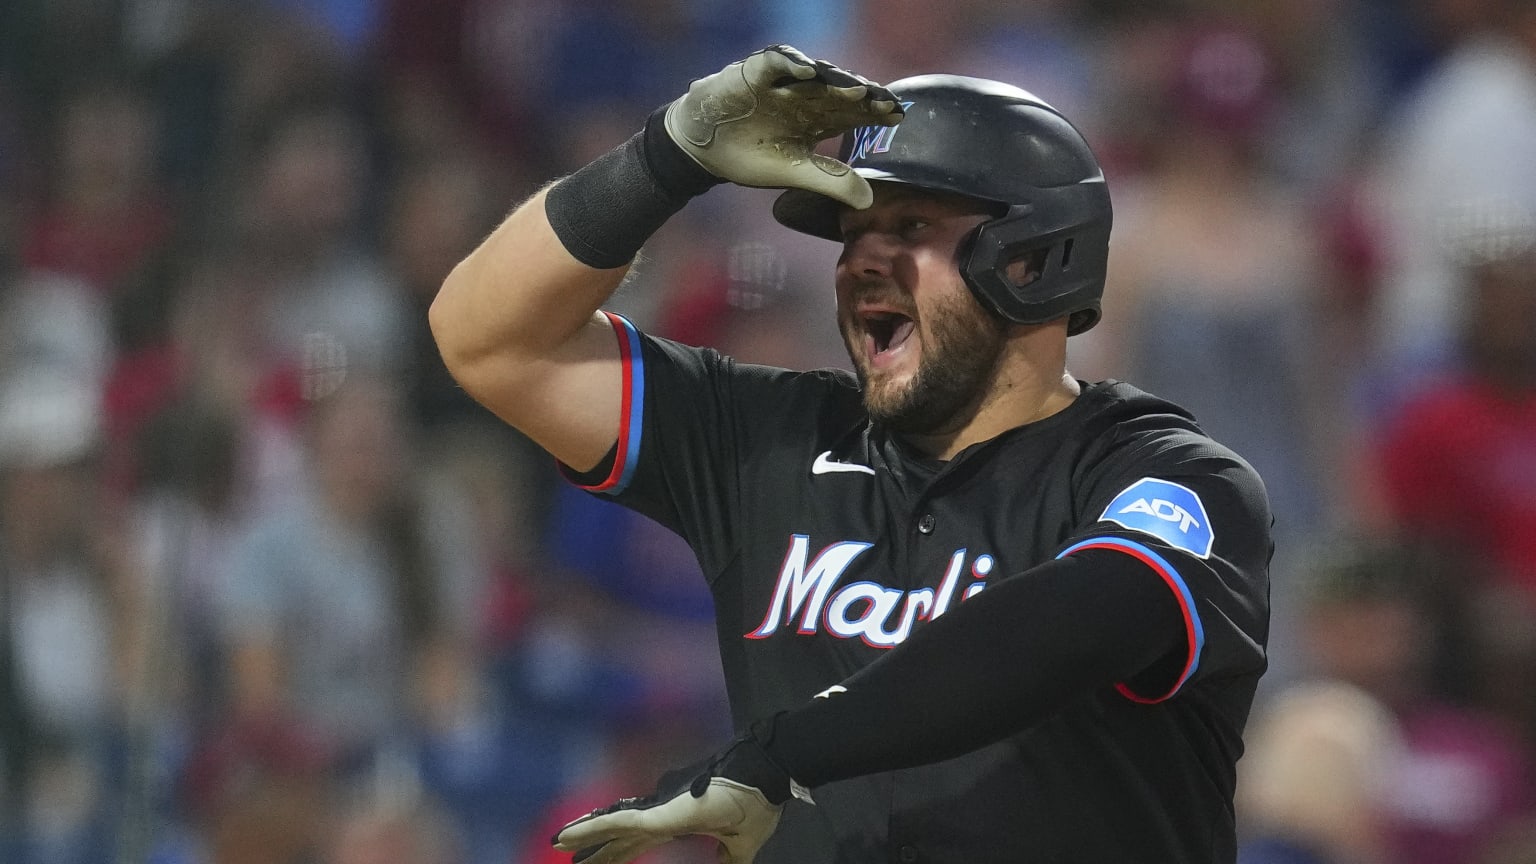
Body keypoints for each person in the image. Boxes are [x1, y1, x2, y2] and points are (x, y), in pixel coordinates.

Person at [430, 45, 1273, 864]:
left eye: (911, 226)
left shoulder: (1166, 474)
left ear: (1033, 259)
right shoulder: (769, 440)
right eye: (852, 233)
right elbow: (486, 338)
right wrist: (668, 155)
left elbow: (1062, 630)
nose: (862, 260)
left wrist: (783, 754)